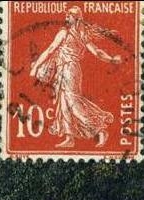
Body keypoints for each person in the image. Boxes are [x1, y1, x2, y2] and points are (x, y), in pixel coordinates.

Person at [29, 6, 123, 148]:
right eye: (66, 15)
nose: (66, 18)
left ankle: (100, 130)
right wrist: (111, 59)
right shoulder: (80, 34)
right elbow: (96, 51)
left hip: (69, 69)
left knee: (73, 102)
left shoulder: (67, 33)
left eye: (69, 16)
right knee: (64, 103)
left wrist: (36, 67)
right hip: (64, 70)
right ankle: (69, 138)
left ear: (76, 18)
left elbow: (50, 50)